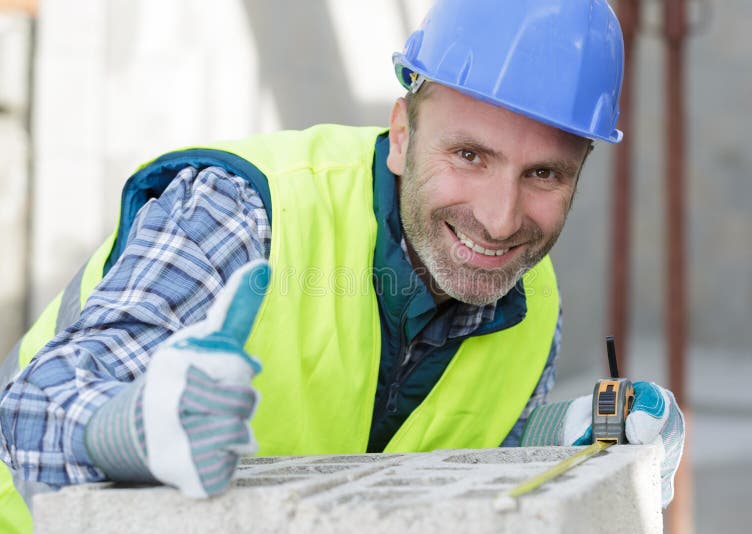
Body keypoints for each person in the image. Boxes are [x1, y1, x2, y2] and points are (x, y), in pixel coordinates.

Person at [0, 0, 684, 530]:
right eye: (469, 156)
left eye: (543, 174)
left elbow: (450, 458)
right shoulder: (246, 210)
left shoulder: (529, 296)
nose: (501, 219)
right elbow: (32, 409)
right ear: (402, 134)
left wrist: (567, 437)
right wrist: (130, 428)